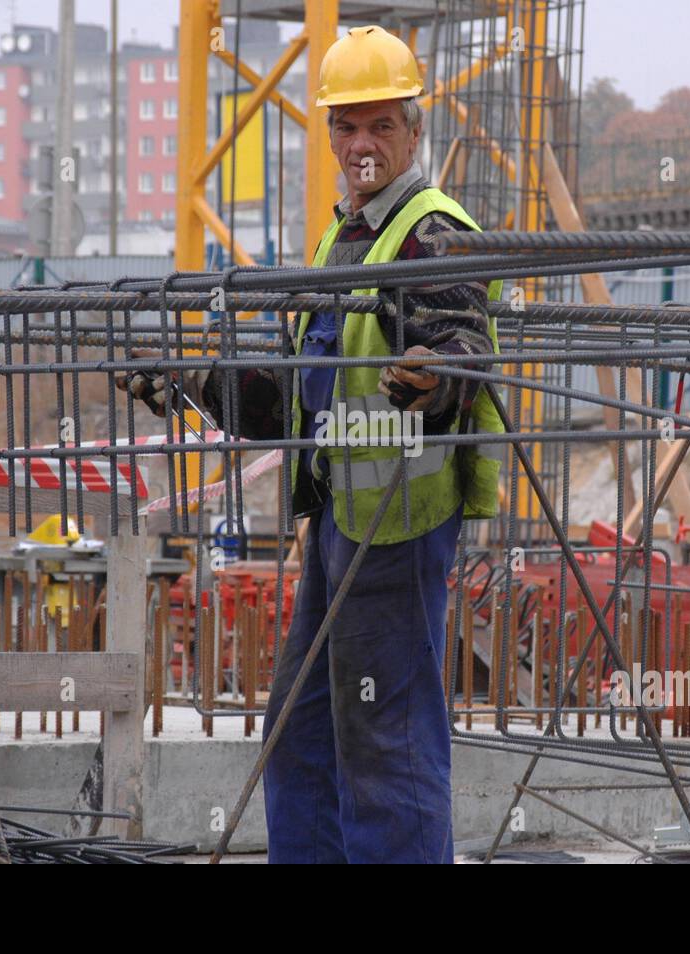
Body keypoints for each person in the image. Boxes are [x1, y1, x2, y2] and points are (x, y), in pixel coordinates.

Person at [120, 25, 504, 863]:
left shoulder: (431, 232)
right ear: (327, 132)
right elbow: (294, 399)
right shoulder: (346, 235)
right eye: (345, 126)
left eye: (380, 126)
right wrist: (194, 380)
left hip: (399, 525)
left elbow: (466, 347)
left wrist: (434, 380)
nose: (361, 143)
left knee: (386, 739)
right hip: (341, 520)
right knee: (299, 730)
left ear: (412, 129)